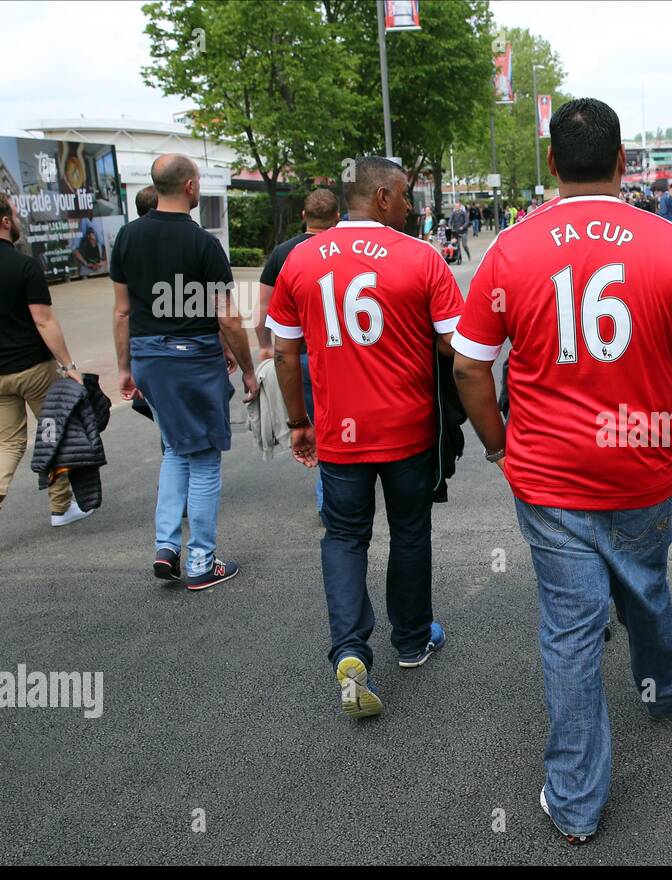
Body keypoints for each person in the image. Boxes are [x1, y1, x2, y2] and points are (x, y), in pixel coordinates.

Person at [451, 97, 672, 844]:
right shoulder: (671, 241)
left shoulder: (510, 248)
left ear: (552, 163)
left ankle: (576, 803)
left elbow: (469, 365)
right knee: (644, 587)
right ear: (621, 163)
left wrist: (496, 444)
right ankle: (665, 687)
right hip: (643, 460)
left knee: (570, 629)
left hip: (547, 472)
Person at [267, 157, 464, 719]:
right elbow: (457, 346)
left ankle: (351, 650)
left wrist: (299, 420)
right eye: (404, 195)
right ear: (380, 196)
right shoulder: (421, 257)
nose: (409, 205)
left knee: (344, 537)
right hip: (408, 429)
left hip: (338, 433)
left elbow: (285, 352)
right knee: (409, 532)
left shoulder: (299, 260)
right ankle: (411, 638)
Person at [111, 154, 258, 590]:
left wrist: (124, 368)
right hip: (192, 359)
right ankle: (200, 562)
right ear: (191, 187)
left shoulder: (126, 238)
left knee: (175, 449)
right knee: (206, 460)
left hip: (148, 359)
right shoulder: (203, 244)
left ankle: (166, 546)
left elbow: (122, 311)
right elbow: (228, 316)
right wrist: (247, 368)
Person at [0, 195, 92, 526]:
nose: (20, 219)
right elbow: (44, 321)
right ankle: (60, 507)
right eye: (16, 213)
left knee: (8, 443)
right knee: (55, 432)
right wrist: (68, 366)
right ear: (6, 222)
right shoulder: (25, 265)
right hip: (35, 369)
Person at [251, 188, 340, 511]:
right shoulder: (340, 251)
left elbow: (262, 305)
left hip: (294, 354)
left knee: (313, 423)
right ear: (337, 217)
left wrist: (263, 346)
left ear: (303, 215)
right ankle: (335, 494)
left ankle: (327, 496)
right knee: (336, 423)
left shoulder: (282, 253)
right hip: (333, 351)